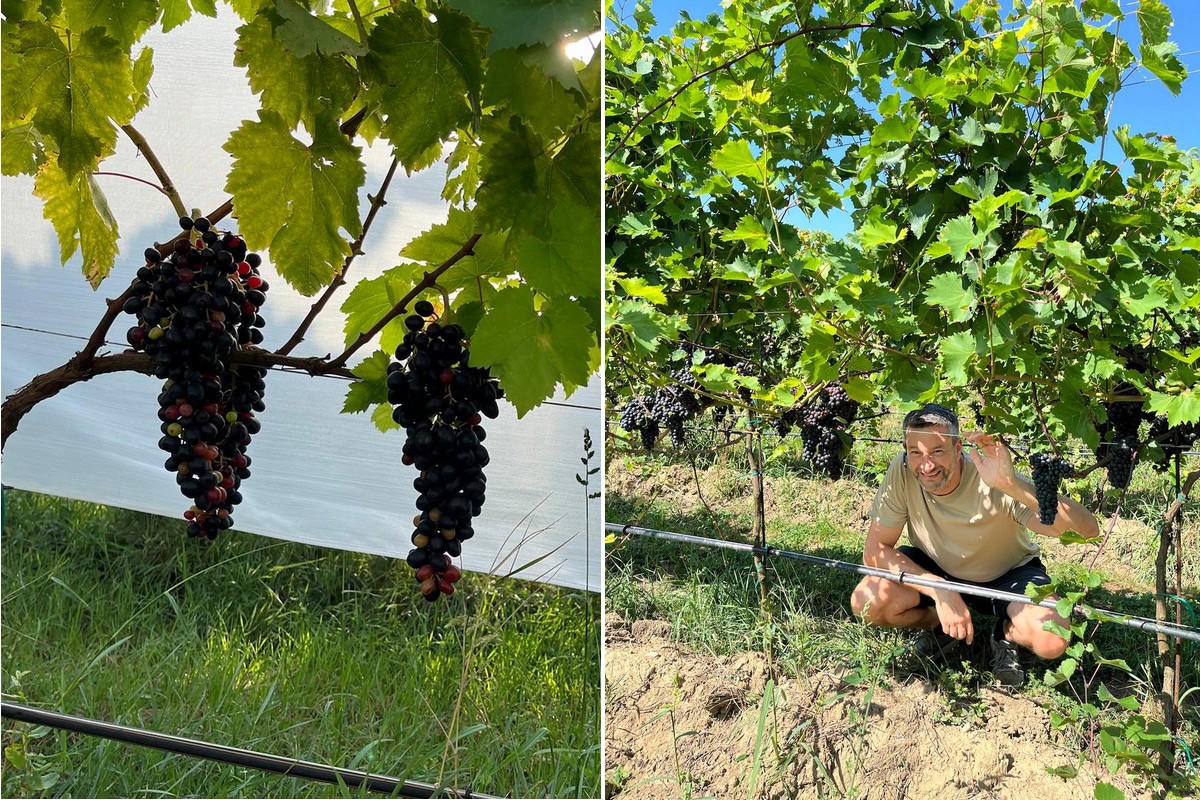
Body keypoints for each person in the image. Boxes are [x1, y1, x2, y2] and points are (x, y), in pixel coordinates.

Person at [849, 403, 1100, 686]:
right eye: (916, 452)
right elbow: (875, 551)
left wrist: (1012, 485)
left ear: (958, 450)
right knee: (868, 601)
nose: (926, 465)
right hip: (936, 567)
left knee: (1051, 639)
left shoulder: (991, 478)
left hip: (1006, 575)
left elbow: (1088, 531)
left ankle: (1005, 634)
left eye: (938, 451)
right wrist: (939, 590)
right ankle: (939, 625)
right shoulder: (903, 469)